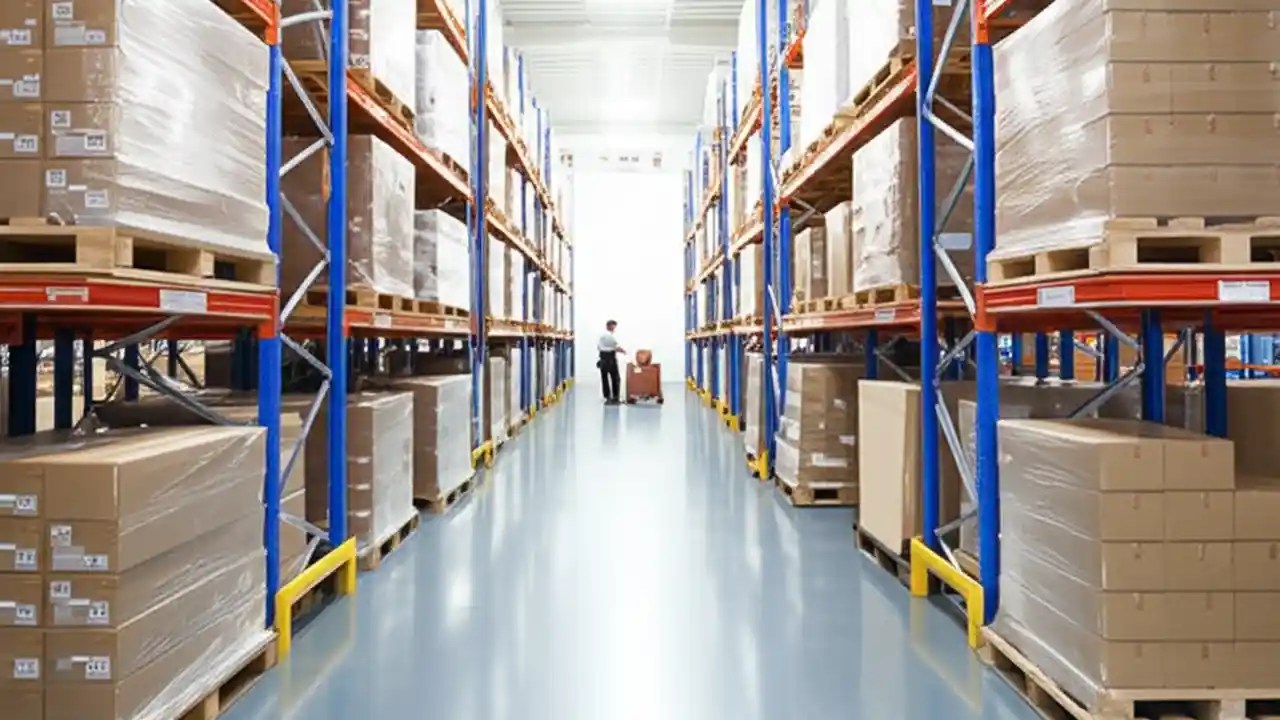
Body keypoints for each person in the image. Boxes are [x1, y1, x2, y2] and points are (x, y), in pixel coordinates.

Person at [597, 320, 626, 404]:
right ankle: (615, 397)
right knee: (616, 378)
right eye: (613, 326)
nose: (614, 329)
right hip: (610, 358)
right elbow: (615, 346)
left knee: (604, 378)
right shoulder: (609, 335)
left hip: (602, 357)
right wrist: (623, 351)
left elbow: (599, 347)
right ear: (609, 326)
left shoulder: (601, 335)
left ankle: (607, 397)